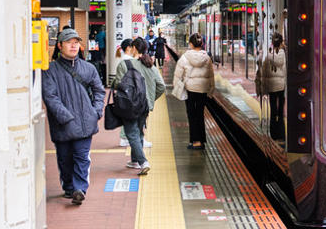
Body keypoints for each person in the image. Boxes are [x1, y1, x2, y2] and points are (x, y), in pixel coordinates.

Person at [41, 28, 105, 205]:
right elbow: (50, 97)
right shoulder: (49, 70)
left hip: (85, 122)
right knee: (64, 159)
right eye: (69, 42)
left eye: (76, 42)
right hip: (63, 124)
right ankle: (69, 188)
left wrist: (96, 111)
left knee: (81, 157)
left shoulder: (89, 68)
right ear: (60, 45)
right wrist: (66, 117)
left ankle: (79, 189)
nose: (74, 46)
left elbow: (99, 91)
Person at [114, 37, 165, 174]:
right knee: (139, 131)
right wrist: (150, 99)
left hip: (130, 105)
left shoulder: (124, 64)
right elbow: (161, 86)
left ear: (134, 48)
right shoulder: (151, 66)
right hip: (145, 106)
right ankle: (135, 160)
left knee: (131, 133)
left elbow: (117, 84)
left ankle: (143, 161)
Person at [174, 33, 215, 150]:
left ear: (191, 44)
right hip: (202, 89)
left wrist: (176, 86)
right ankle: (201, 140)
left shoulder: (185, 57)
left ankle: (195, 141)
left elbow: (178, 74)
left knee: (192, 115)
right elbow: (211, 75)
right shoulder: (207, 58)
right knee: (200, 114)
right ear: (201, 44)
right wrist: (211, 89)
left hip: (190, 89)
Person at [263, 32, 286, 141]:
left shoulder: (268, 56)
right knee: (281, 110)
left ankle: (273, 134)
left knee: (273, 109)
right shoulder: (284, 55)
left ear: (272, 43)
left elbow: (265, 73)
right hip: (281, 86)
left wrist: (264, 88)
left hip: (272, 87)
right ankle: (281, 133)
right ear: (281, 43)